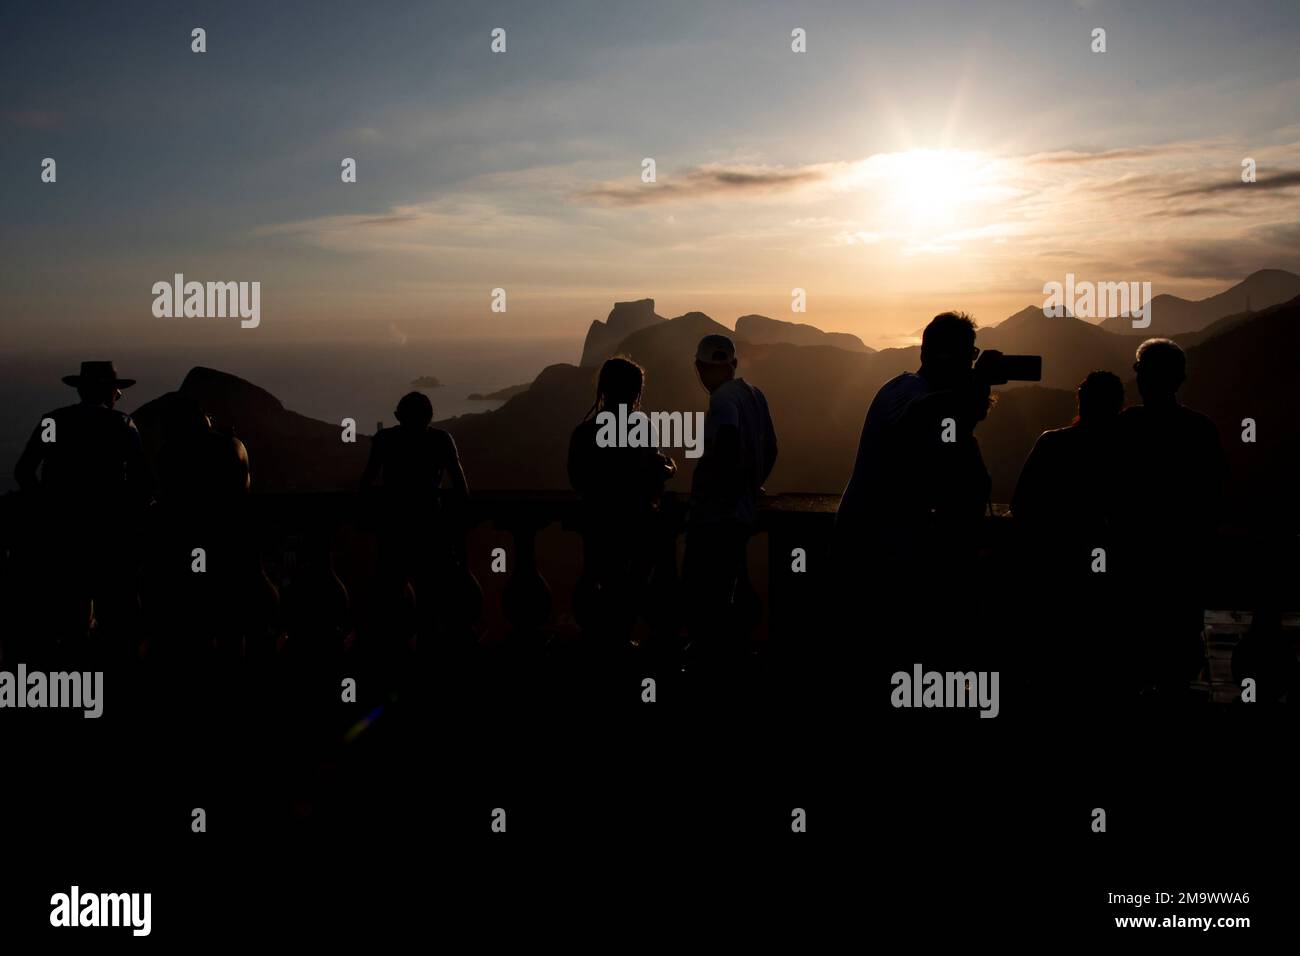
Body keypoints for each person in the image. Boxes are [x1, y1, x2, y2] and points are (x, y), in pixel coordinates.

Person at [1113, 338, 1227, 700]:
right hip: (1182, 566)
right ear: (1180, 379)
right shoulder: (1200, 430)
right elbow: (1214, 498)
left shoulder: (1125, 427)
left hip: (1133, 564)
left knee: (1131, 664)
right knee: (1175, 669)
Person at [13, 361, 151, 649]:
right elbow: (142, 479)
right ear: (108, 393)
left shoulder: (52, 422)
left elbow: (24, 470)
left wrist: (46, 506)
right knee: (116, 618)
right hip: (109, 536)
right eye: (117, 392)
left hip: (61, 536)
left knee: (68, 617)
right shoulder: (122, 425)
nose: (118, 397)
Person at [682, 334, 777, 663]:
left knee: (705, 592)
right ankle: (731, 658)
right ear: (734, 364)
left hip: (715, 517)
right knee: (732, 586)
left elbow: (724, 443)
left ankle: (708, 661)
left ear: (698, 366)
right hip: (741, 513)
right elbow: (772, 449)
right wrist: (752, 485)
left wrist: (712, 493)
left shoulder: (722, 400)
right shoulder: (755, 394)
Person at [568, 357, 677, 642]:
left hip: (597, 524)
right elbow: (656, 472)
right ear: (635, 393)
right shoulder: (640, 427)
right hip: (637, 523)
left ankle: (602, 648)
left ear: (604, 389)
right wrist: (671, 467)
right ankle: (620, 643)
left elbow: (576, 479)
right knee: (631, 586)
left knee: (597, 580)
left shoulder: (583, 433)